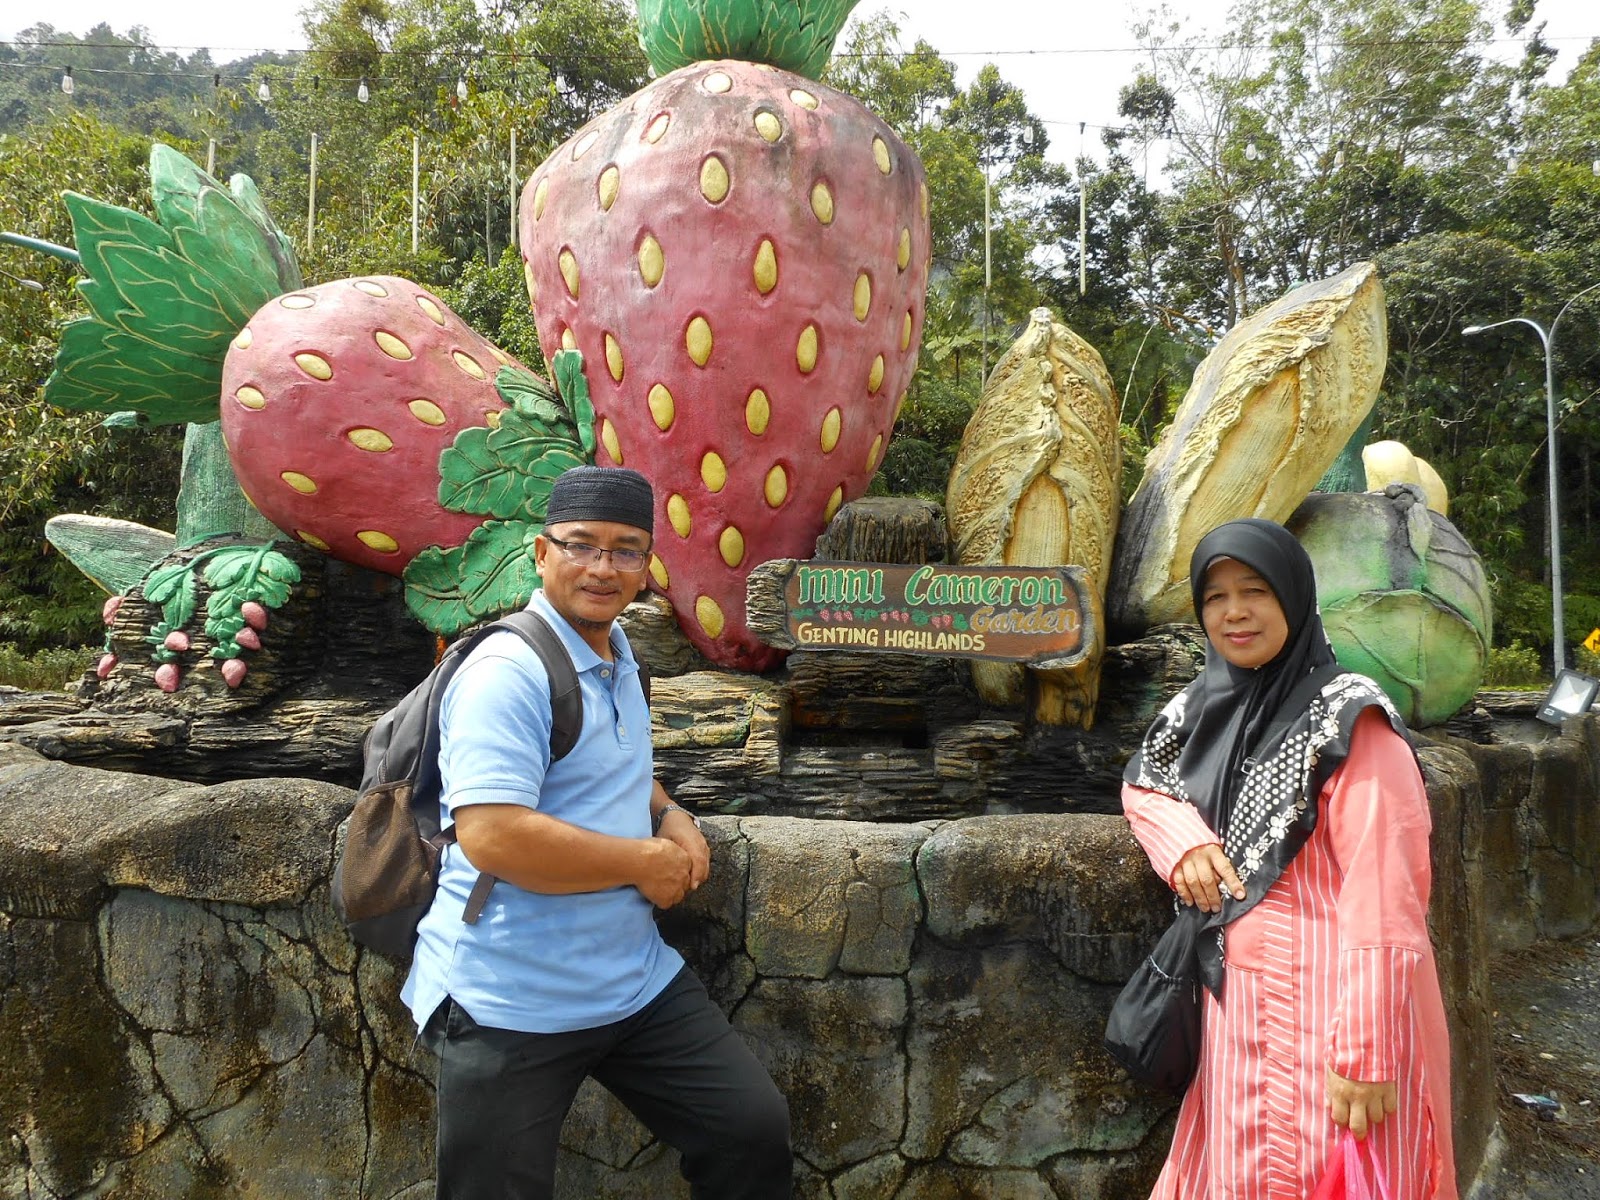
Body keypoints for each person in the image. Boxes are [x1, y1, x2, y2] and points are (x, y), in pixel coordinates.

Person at [402, 464, 792, 1200]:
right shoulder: (506, 672)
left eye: (625, 550)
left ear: (648, 566)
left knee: (749, 1133)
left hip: (631, 982)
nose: (601, 568)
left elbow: (613, 763)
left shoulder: (616, 653)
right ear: (541, 553)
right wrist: (644, 862)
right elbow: (493, 835)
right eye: (580, 546)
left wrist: (668, 814)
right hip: (508, 999)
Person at [1120, 518, 1456, 1199]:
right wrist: (1183, 841)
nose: (1234, 612)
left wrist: (1365, 1050)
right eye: (1215, 597)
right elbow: (1143, 783)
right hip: (1239, 1018)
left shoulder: (1350, 721)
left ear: (1295, 598)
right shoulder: (1198, 709)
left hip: (1335, 1022)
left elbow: (1386, 894)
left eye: (1255, 591)